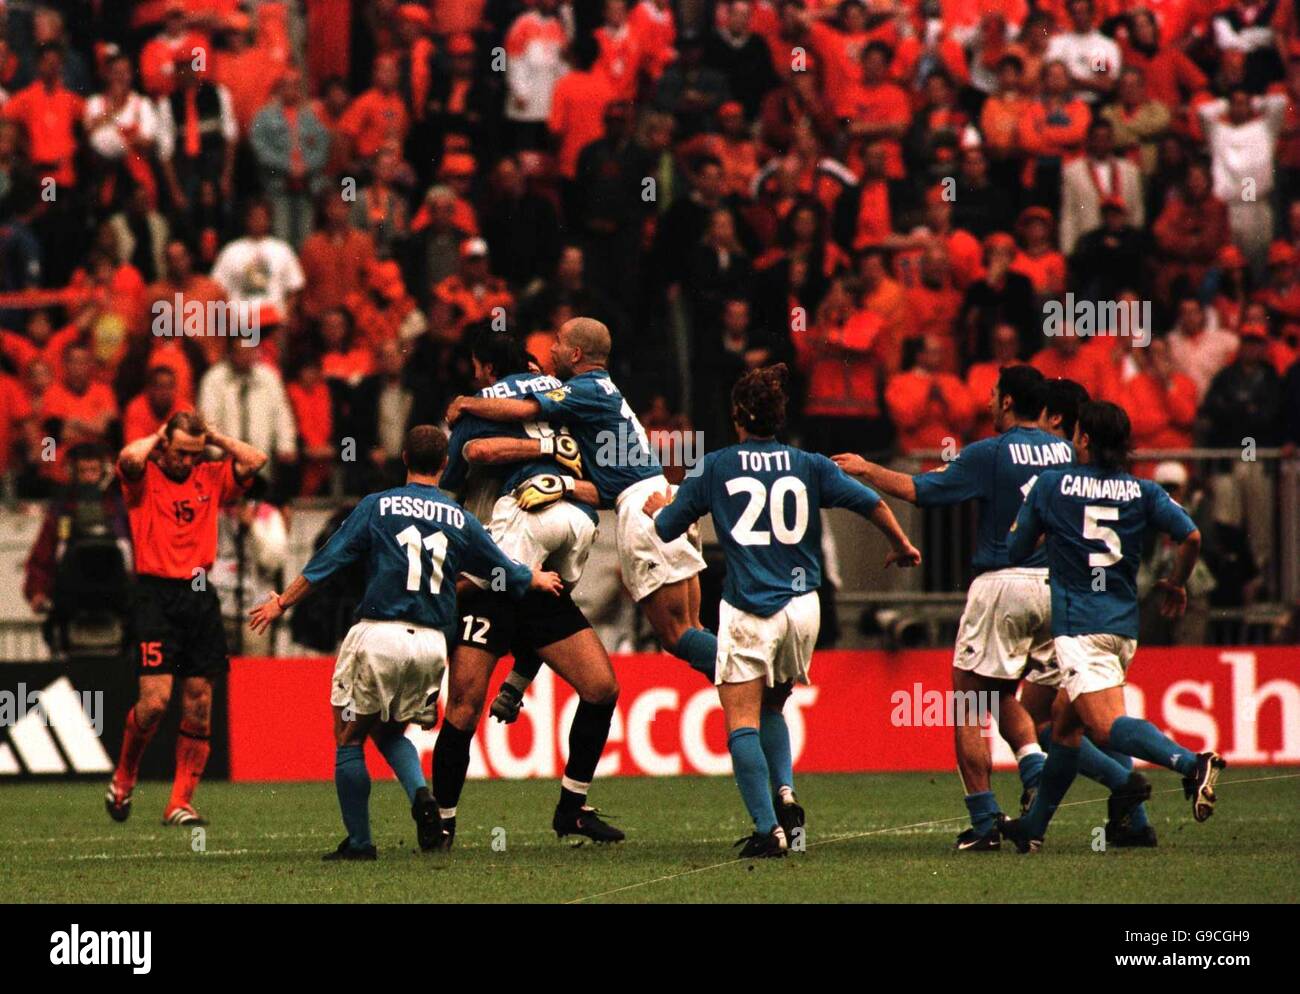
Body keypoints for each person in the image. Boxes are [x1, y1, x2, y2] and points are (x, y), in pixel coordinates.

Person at [247, 425, 564, 860]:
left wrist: (282, 601)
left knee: (349, 736)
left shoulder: (377, 506)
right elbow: (502, 566)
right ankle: (421, 796)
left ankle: (359, 843)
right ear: (446, 464)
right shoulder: (460, 517)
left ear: (403, 459)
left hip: (380, 631)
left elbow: (330, 559)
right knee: (391, 729)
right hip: (433, 643)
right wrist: (536, 578)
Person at [645, 364, 921, 857]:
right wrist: (901, 544)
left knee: (741, 721)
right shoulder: (809, 464)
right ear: (779, 417)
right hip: (804, 609)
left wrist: (655, 511)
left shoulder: (716, 466)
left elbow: (667, 529)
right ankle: (786, 793)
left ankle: (767, 830)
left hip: (751, 608)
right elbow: (871, 503)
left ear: (737, 417)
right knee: (774, 703)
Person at [835, 366, 1072, 850]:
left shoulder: (990, 452)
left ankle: (985, 823)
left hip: (1003, 584)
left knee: (968, 702)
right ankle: (1033, 767)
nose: (987, 401)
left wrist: (864, 469)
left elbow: (921, 491)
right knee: (1002, 691)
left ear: (1007, 402)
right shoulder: (1065, 450)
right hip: (1056, 588)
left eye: (993, 394)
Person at [1000, 401, 1224, 852]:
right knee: (1064, 726)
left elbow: (1016, 547)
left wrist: (1036, 529)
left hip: (1080, 627)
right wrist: (1177, 583)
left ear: (1082, 439)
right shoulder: (1143, 491)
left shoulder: (1051, 485)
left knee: (1103, 728)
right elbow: (1191, 536)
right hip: (1123, 625)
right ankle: (1034, 826)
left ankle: (1190, 763)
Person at [446, 317, 719, 687]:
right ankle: (750, 692)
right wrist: (564, 484)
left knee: (675, 635)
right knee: (693, 626)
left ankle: (748, 671)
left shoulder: (584, 390)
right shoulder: (601, 394)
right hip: (661, 497)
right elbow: (602, 491)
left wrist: (468, 403)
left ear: (575, 353)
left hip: (643, 512)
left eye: (557, 342)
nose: (551, 349)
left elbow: (524, 410)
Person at [435, 333, 622, 845]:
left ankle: (568, 811)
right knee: (592, 689)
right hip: (538, 546)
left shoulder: (484, 403)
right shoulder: (570, 395)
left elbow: (455, 466)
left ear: (485, 367)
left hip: (511, 541)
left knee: (465, 708)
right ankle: (445, 820)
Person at [105, 411, 268, 826]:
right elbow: (127, 458)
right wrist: (159, 435)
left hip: (198, 595)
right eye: (180, 452)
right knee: (155, 703)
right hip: (155, 595)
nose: (186, 461)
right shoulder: (144, 479)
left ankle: (180, 802)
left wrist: (214, 435)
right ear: (164, 446)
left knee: (199, 700)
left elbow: (256, 460)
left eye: (194, 454)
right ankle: (125, 776)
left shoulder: (210, 475)